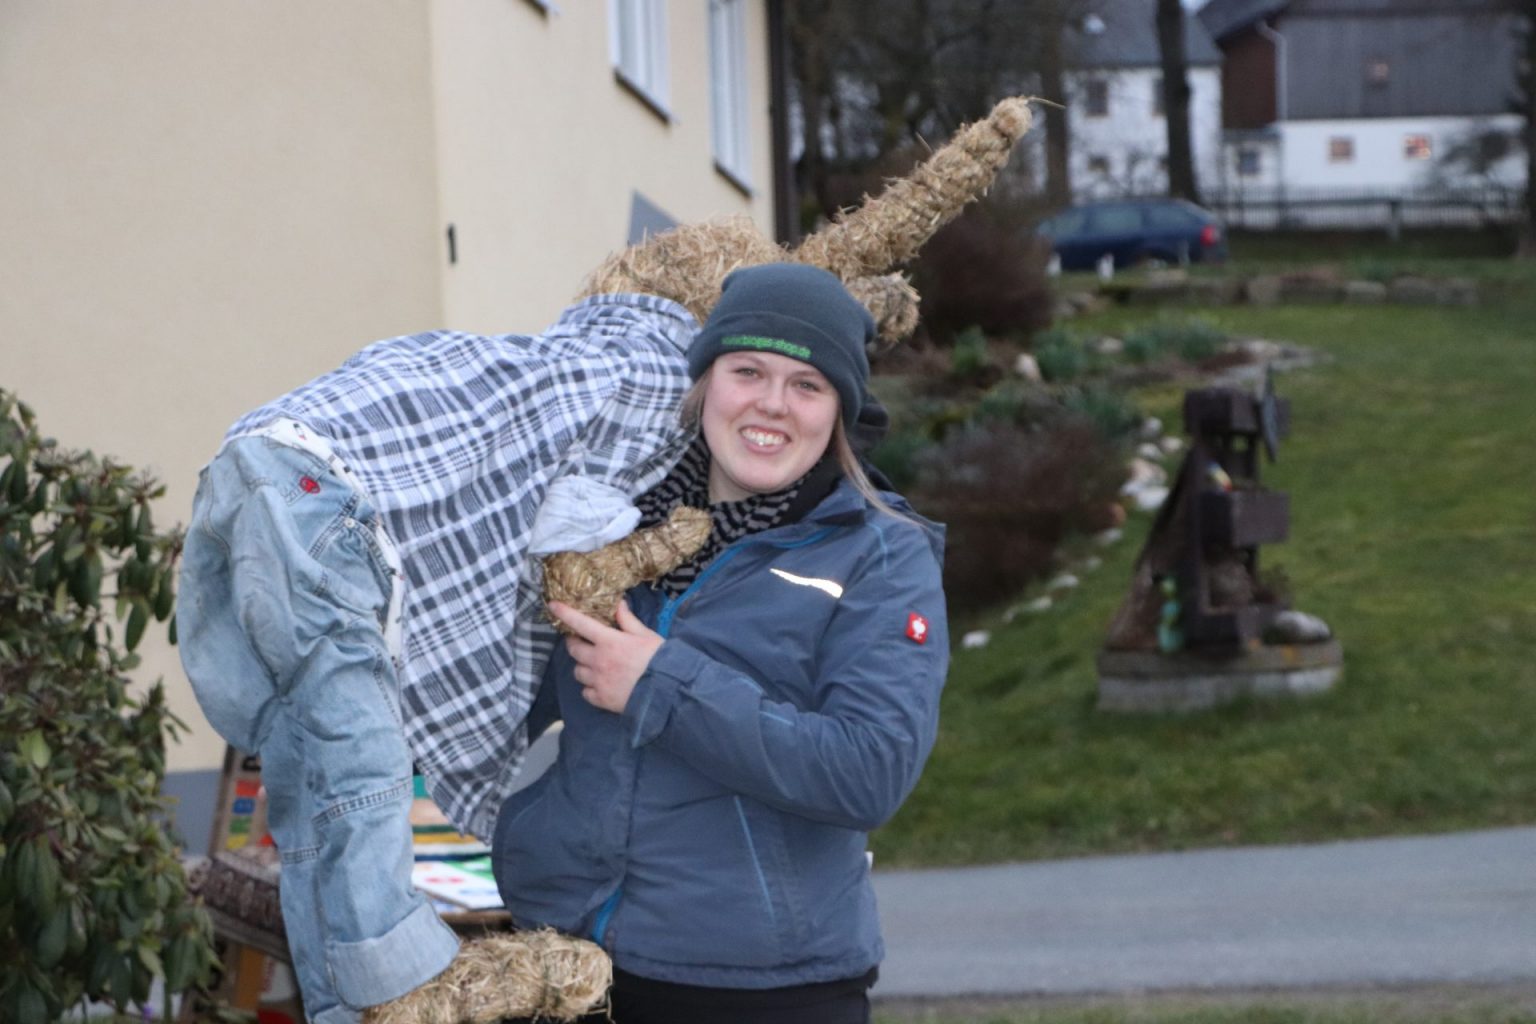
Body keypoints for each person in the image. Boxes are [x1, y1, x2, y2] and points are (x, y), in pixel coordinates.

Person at [175, 293, 696, 1024]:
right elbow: (571, 545)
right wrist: (664, 543)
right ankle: (397, 987)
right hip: (319, 492)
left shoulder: (519, 364)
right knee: (363, 763)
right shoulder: (640, 391)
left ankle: (338, 1007)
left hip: (246, 466)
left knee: (306, 778)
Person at [491, 263, 951, 1024]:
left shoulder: (880, 556)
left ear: (840, 409)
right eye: (748, 370)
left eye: (808, 384)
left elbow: (869, 771)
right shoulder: (608, 528)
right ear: (705, 383)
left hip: (763, 992)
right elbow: (505, 689)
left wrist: (660, 685)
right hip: (570, 964)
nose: (772, 403)